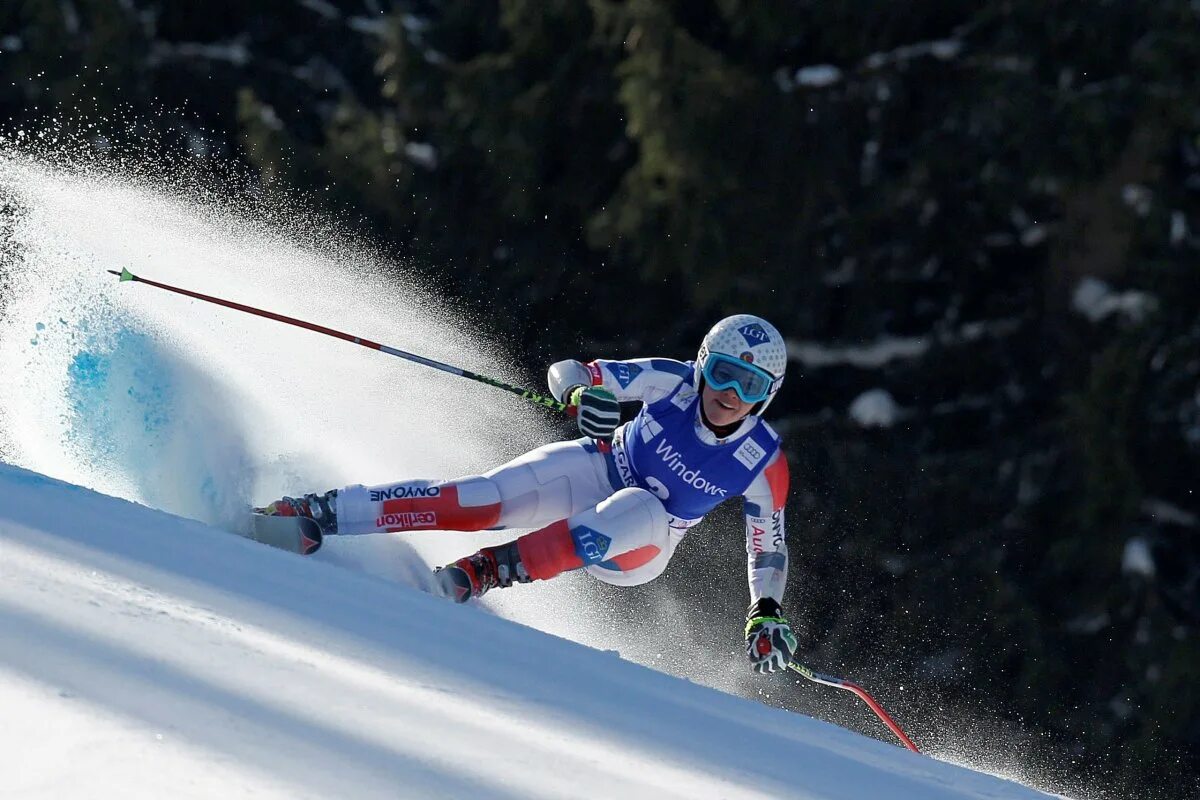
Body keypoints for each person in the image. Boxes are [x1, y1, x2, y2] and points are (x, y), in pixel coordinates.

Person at [260, 314, 798, 674]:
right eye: (724, 375)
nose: (731, 395)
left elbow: (768, 547)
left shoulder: (763, 461)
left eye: (750, 386)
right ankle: (319, 511)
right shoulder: (671, 381)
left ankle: (484, 571)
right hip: (601, 466)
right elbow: (569, 371)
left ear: (767, 396)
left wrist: (766, 611)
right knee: (481, 498)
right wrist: (581, 393)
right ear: (703, 366)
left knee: (638, 506)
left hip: (642, 545)